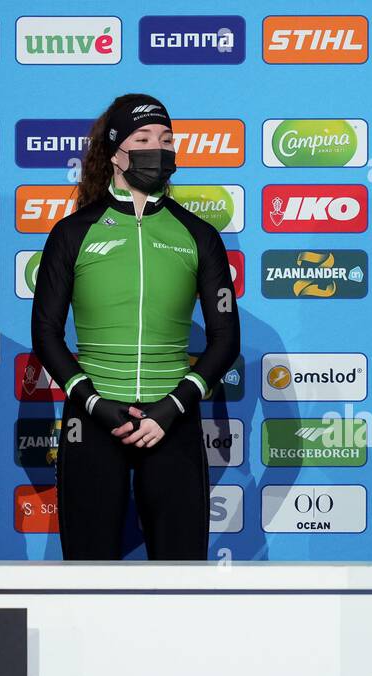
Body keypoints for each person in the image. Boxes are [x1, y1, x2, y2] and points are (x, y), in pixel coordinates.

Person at [31, 93, 240, 560]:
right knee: (88, 579)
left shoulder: (199, 235)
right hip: (93, 421)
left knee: (181, 579)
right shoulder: (72, 232)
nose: (158, 149)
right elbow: (46, 334)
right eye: (143, 138)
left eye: (166, 139)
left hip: (173, 422)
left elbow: (226, 339)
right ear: (115, 153)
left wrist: (173, 407)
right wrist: (96, 405)